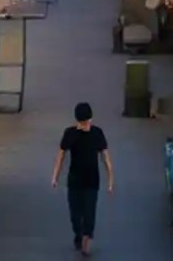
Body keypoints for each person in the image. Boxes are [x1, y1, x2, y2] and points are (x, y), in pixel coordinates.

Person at [51, 102, 113, 256]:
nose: (85, 125)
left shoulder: (97, 133)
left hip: (92, 181)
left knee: (89, 212)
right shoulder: (70, 133)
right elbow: (61, 155)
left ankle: (86, 240)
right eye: (82, 122)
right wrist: (55, 176)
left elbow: (105, 157)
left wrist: (110, 179)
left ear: (91, 119)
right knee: (75, 214)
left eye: (86, 122)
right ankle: (78, 233)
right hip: (74, 181)